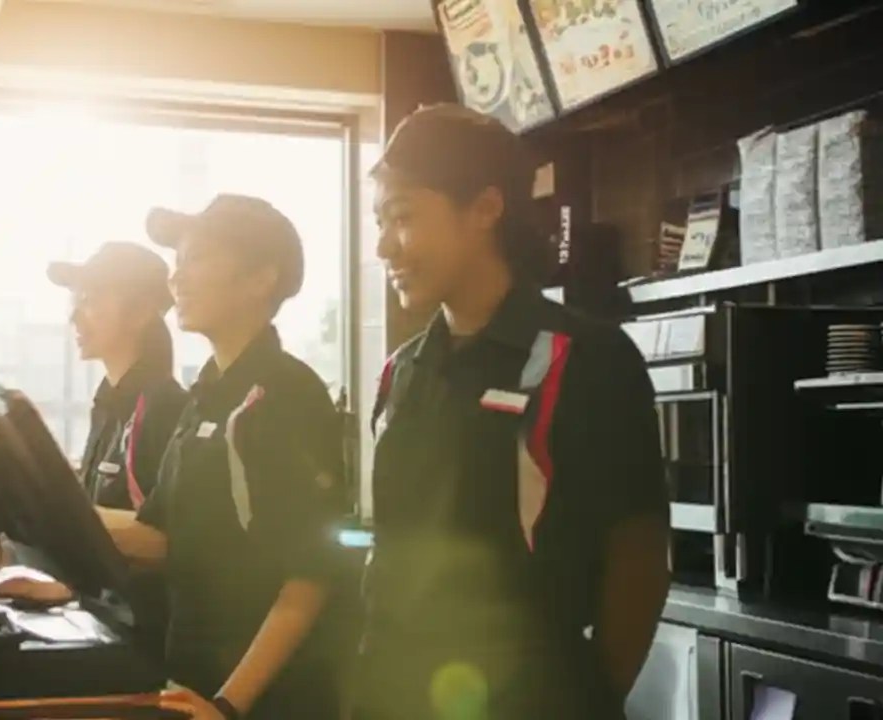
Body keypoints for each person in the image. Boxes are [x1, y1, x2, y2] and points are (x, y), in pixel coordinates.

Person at [352, 104, 669, 720]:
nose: (385, 244)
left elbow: (639, 554)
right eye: (379, 222)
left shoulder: (587, 358)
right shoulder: (401, 371)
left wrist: (592, 700)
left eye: (404, 216)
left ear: (485, 208)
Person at [98, 195, 346, 720]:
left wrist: (229, 704)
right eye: (177, 261)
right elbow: (161, 535)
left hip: (258, 700)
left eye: (197, 258)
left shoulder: (285, 393)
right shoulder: (206, 394)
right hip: (192, 684)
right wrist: (40, 517)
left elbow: (311, 572)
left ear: (260, 279)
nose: (177, 278)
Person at [43, 241, 189, 656]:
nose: (75, 315)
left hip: (141, 639)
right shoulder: (107, 405)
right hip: (94, 619)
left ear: (142, 313)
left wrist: (49, 510)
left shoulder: (165, 407)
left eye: (89, 301)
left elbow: (167, 541)